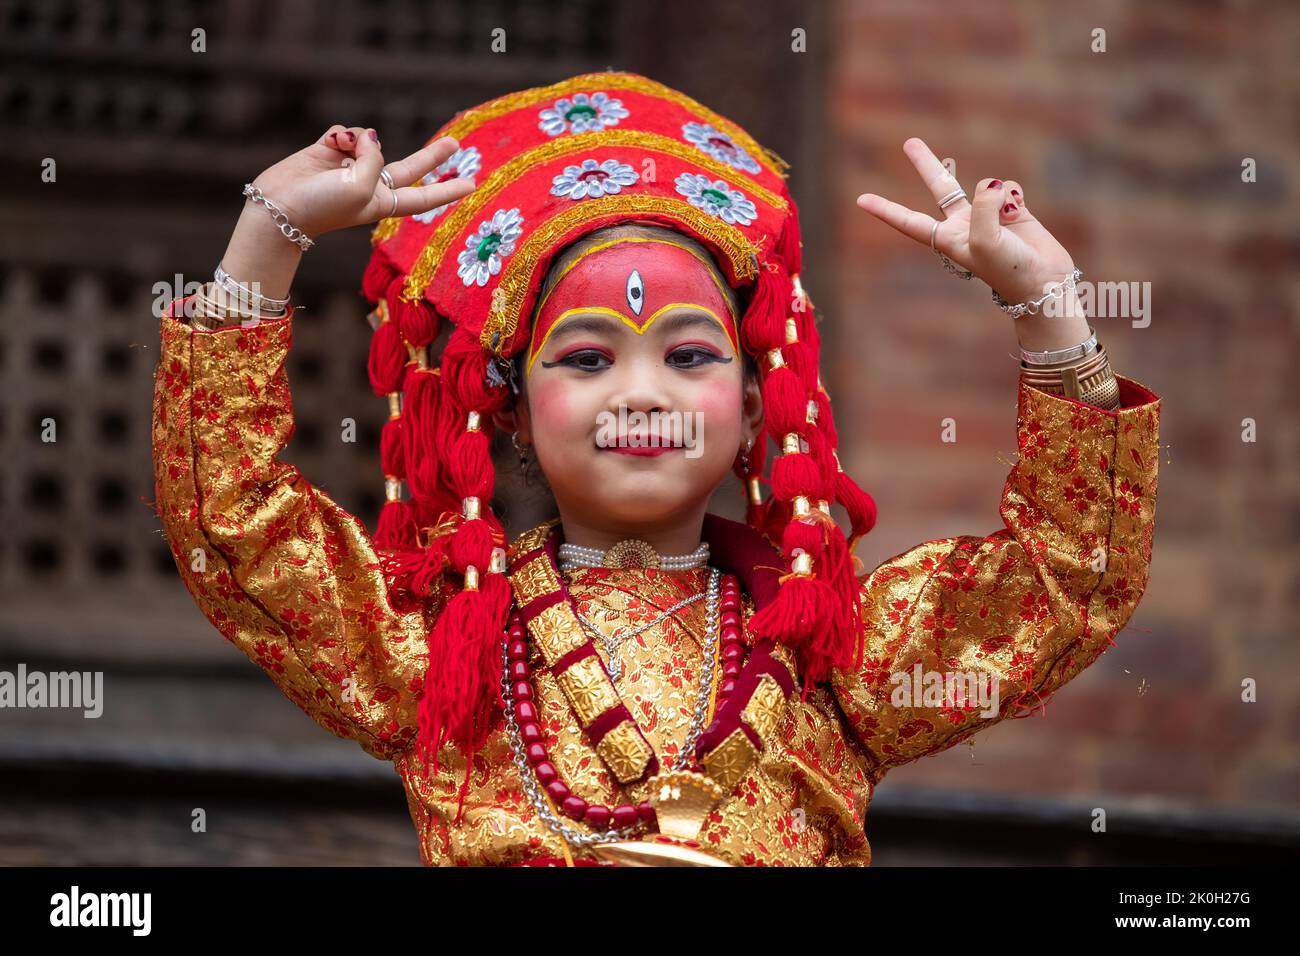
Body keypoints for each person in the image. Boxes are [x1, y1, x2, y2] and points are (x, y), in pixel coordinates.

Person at [152, 72, 1161, 866]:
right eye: (587, 358)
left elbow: (1065, 575)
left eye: (687, 355)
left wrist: (1048, 310)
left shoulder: (833, 657)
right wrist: (266, 238)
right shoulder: (442, 652)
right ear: (511, 405)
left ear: (758, 402)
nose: (641, 393)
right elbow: (235, 520)